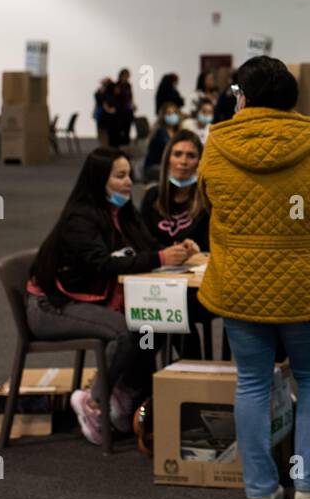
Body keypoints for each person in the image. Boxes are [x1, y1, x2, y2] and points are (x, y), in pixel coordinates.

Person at [197, 57, 310, 499]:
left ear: (242, 97)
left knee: (250, 383)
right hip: (305, 281)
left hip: (239, 282)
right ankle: (309, 485)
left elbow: (206, 199)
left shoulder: (217, 141)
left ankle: (260, 492)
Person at [26, 148, 198, 444]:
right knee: (125, 332)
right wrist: (160, 257)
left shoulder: (122, 211)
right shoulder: (79, 218)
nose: (129, 181)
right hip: (51, 306)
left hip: (90, 299)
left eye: (129, 174)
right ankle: (92, 401)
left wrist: (178, 249)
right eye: (120, 176)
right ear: (98, 181)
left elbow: (146, 246)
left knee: (156, 322)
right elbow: (103, 263)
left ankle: (124, 392)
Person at [141, 130, 216, 358]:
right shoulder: (152, 197)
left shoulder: (207, 199)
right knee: (149, 316)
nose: (183, 162)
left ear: (199, 162)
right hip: (157, 280)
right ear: (168, 159)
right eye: (178, 154)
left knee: (165, 311)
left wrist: (196, 250)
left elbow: (213, 248)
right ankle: (159, 377)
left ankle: (184, 373)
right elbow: (141, 241)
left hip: (195, 287)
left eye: (191, 156)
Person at [144, 101, 182, 180]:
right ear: (163, 116)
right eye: (169, 113)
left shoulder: (177, 132)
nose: (172, 115)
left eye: (174, 113)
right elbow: (170, 152)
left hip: (168, 165)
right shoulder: (160, 132)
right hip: (154, 167)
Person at [110, 68, 135, 148]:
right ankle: (117, 146)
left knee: (127, 130)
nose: (127, 77)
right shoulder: (117, 85)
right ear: (121, 75)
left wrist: (132, 105)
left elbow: (130, 97)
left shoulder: (128, 85)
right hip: (119, 111)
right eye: (125, 75)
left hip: (128, 111)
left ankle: (125, 146)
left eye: (128, 76)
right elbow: (114, 98)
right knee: (118, 130)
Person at [93, 78, 115, 146]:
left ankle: (104, 145)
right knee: (102, 130)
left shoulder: (101, 91)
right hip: (102, 113)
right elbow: (103, 103)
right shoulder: (102, 92)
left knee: (102, 131)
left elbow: (99, 103)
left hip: (101, 112)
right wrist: (110, 110)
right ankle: (104, 145)